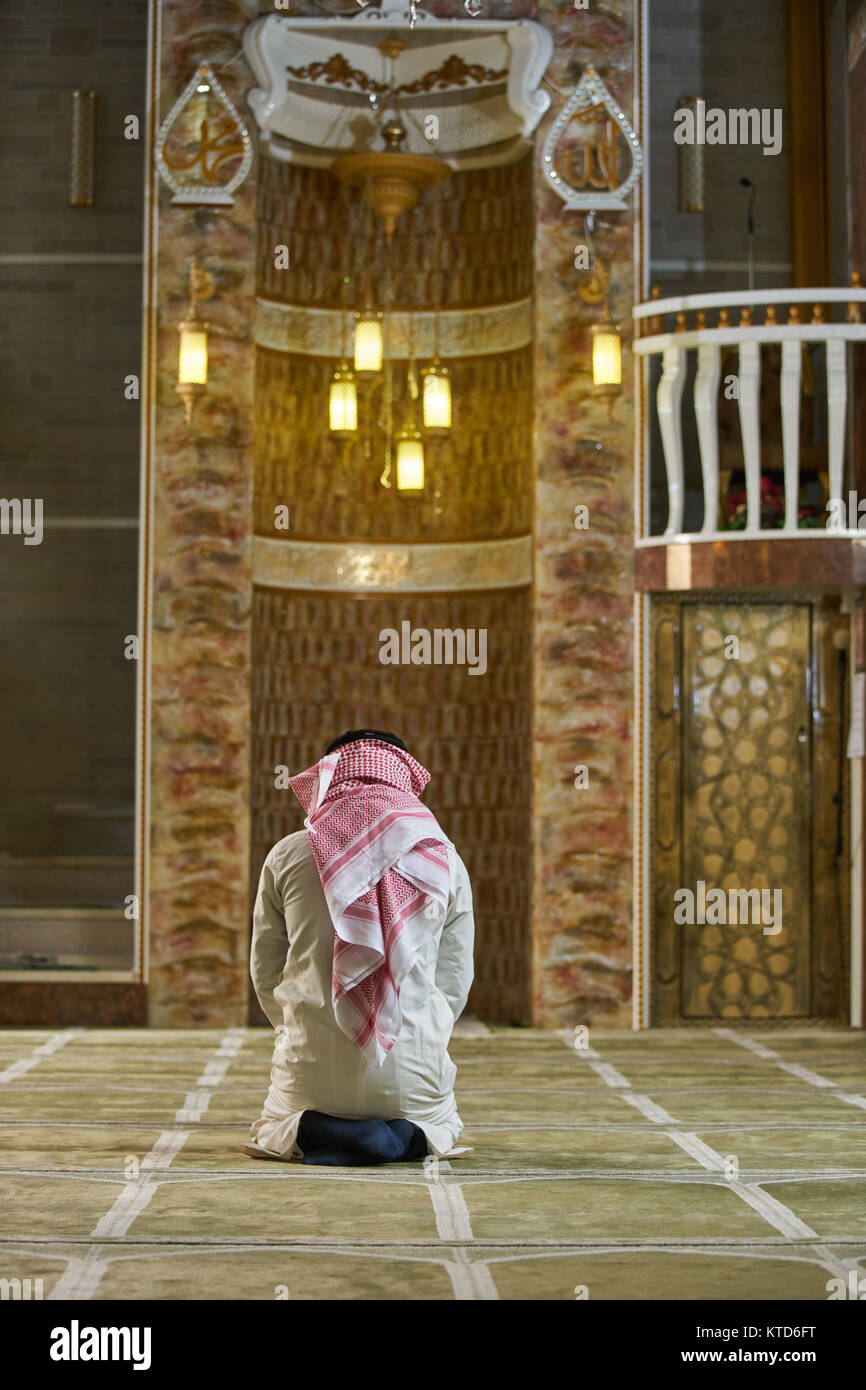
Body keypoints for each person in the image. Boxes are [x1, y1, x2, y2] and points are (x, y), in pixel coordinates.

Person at [243, 729, 475, 1167]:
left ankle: (323, 1129)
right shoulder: (444, 856)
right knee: (438, 1124)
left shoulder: (287, 855)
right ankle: (405, 1134)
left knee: (279, 1124)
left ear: (328, 778)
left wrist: (294, 1026)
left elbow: (266, 970)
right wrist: (424, 1026)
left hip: (308, 1075)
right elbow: (456, 975)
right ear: (402, 779)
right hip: (414, 1081)